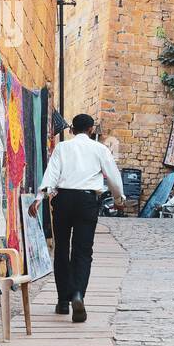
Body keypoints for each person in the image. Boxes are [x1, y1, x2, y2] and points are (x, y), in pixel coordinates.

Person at [30, 114, 126, 322]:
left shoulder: (63, 148)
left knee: (62, 249)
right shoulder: (100, 149)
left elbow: (51, 174)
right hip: (86, 202)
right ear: (91, 129)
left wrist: (39, 197)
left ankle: (63, 302)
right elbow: (113, 177)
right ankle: (77, 294)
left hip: (63, 199)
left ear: (72, 129)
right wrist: (119, 198)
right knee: (83, 251)